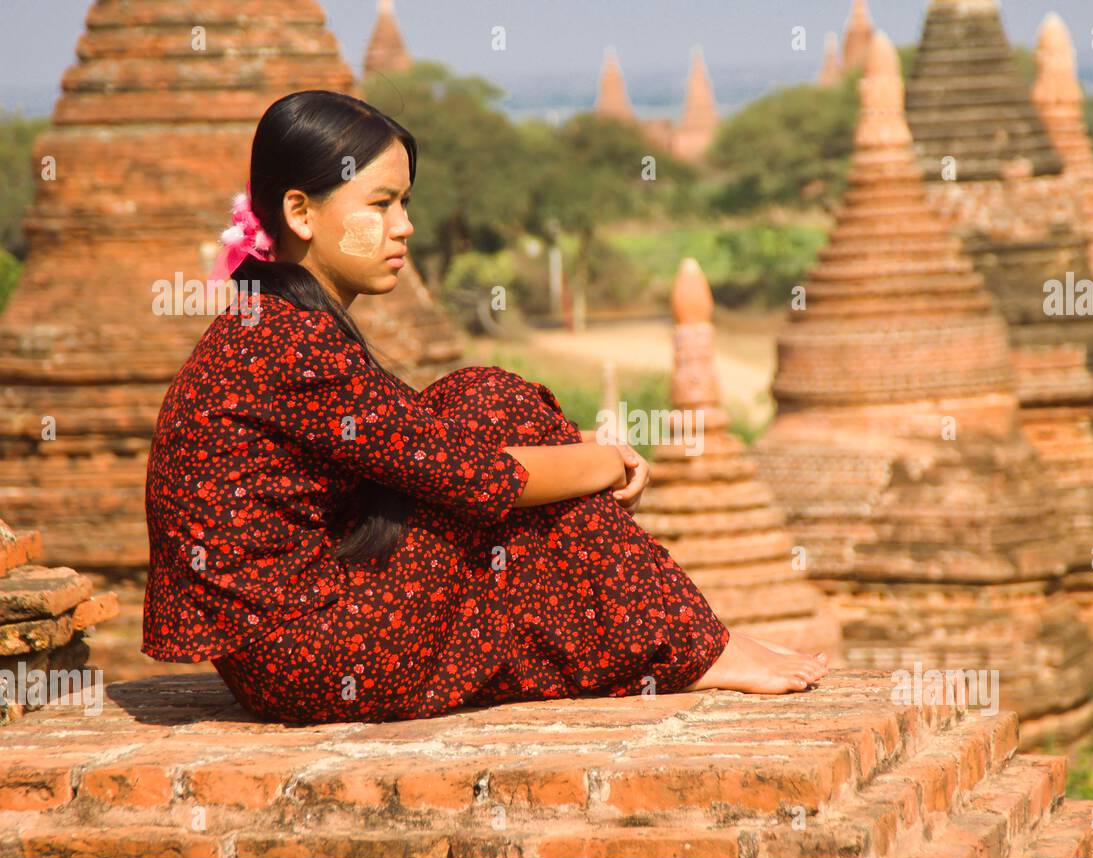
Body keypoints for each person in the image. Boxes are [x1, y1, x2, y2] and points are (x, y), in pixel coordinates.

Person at [142, 89, 828, 725]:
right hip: (310, 654)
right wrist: (605, 464)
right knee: (507, 442)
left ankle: (682, 636)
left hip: (294, 639)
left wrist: (582, 452)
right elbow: (472, 478)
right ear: (300, 213)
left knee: (484, 401)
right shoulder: (290, 344)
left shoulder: (280, 320)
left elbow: (418, 441)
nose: (404, 227)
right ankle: (696, 645)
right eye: (380, 205)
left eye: (405, 203)